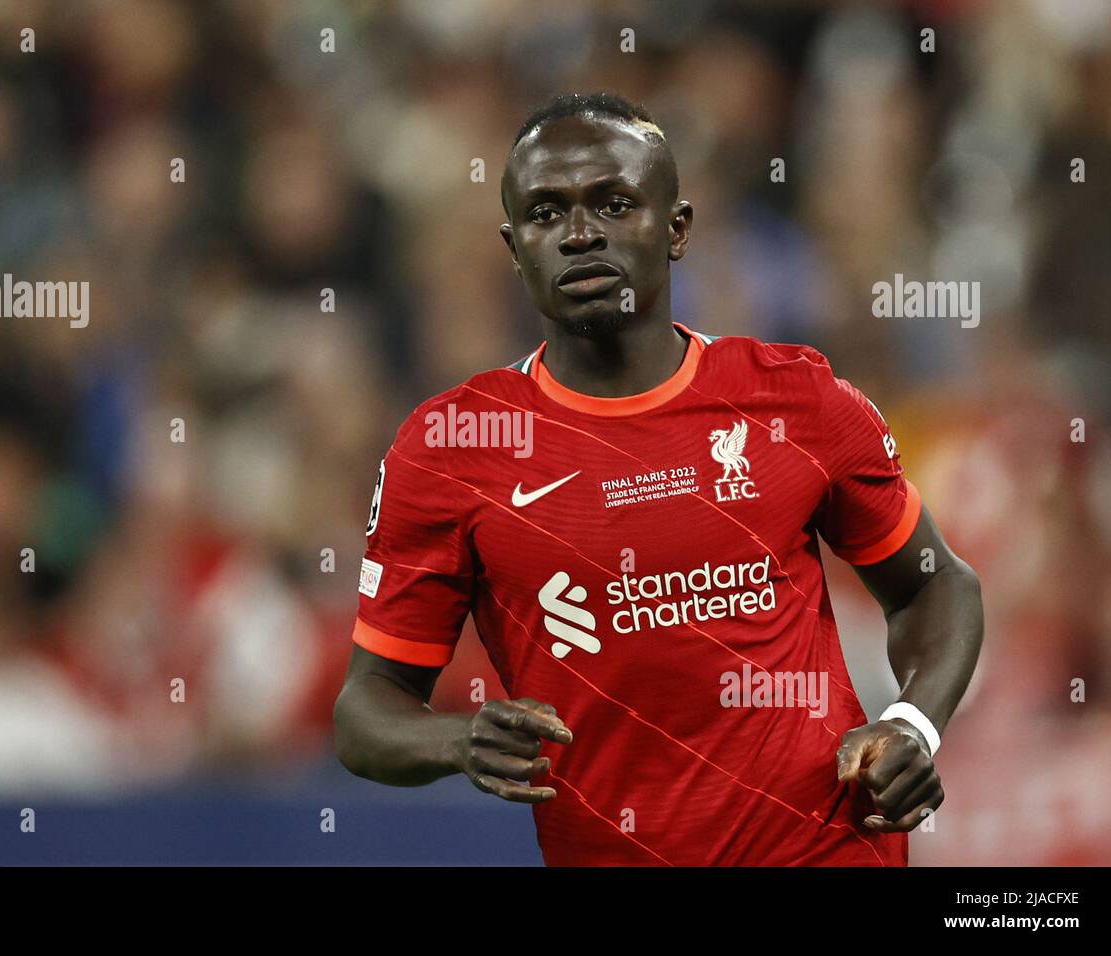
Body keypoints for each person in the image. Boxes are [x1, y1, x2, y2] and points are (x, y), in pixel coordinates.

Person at [333, 91, 983, 866]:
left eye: (613, 204)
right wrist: (455, 739)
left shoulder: (797, 399)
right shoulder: (450, 449)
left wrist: (913, 723)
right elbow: (364, 713)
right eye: (545, 214)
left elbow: (936, 585)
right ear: (514, 250)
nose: (579, 235)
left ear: (677, 229)